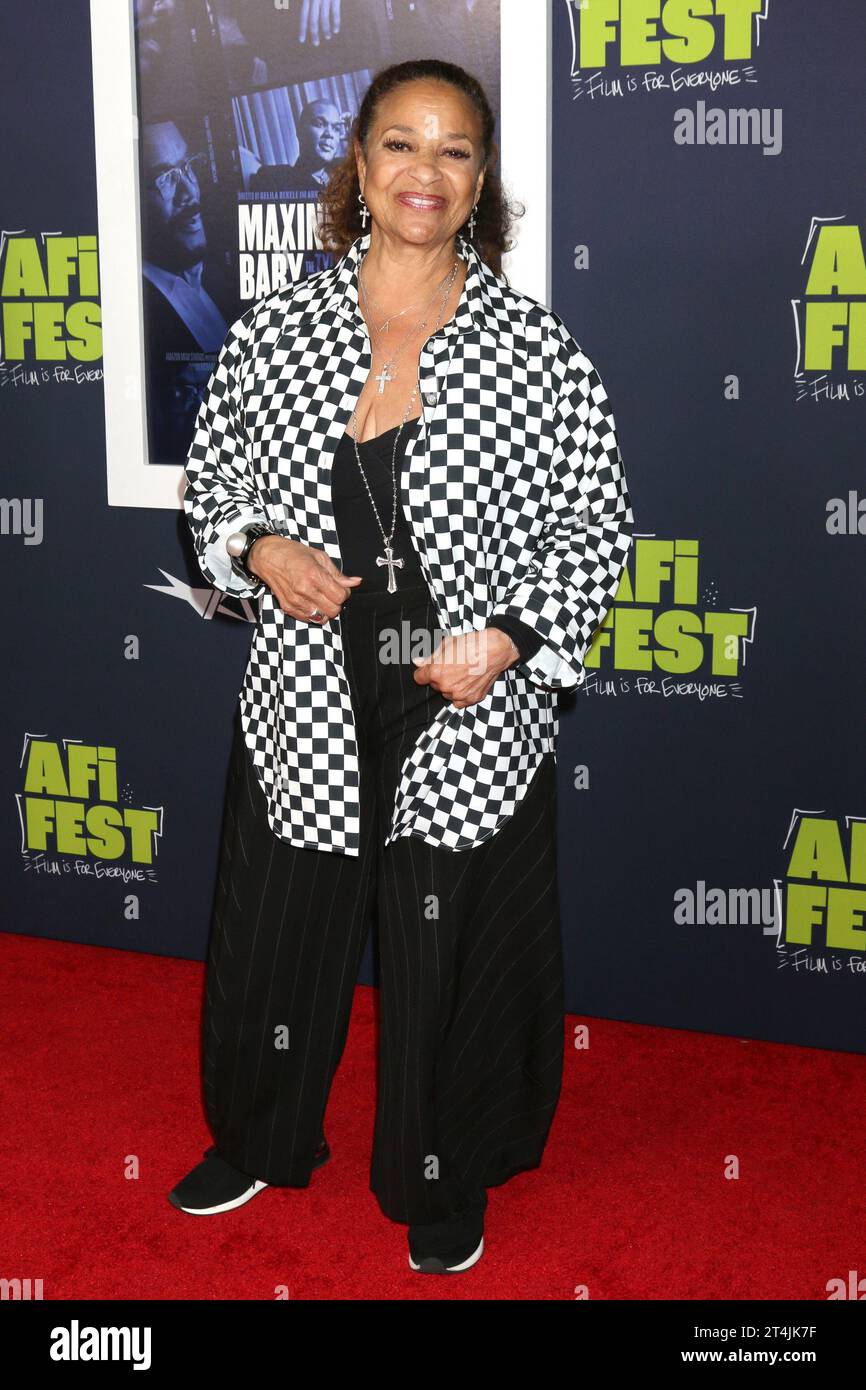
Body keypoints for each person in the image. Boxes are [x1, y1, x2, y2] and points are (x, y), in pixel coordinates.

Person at [174, 58, 634, 1275]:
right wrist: (261, 546)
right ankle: (260, 1134)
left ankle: (447, 1166)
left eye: (454, 152)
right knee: (282, 924)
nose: (424, 174)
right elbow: (212, 489)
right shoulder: (278, 328)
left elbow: (594, 528)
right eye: (399, 145)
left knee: (453, 943)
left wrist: (510, 639)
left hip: (463, 691)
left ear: (481, 182)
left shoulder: (536, 351)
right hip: (308, 684)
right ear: (359, 168)